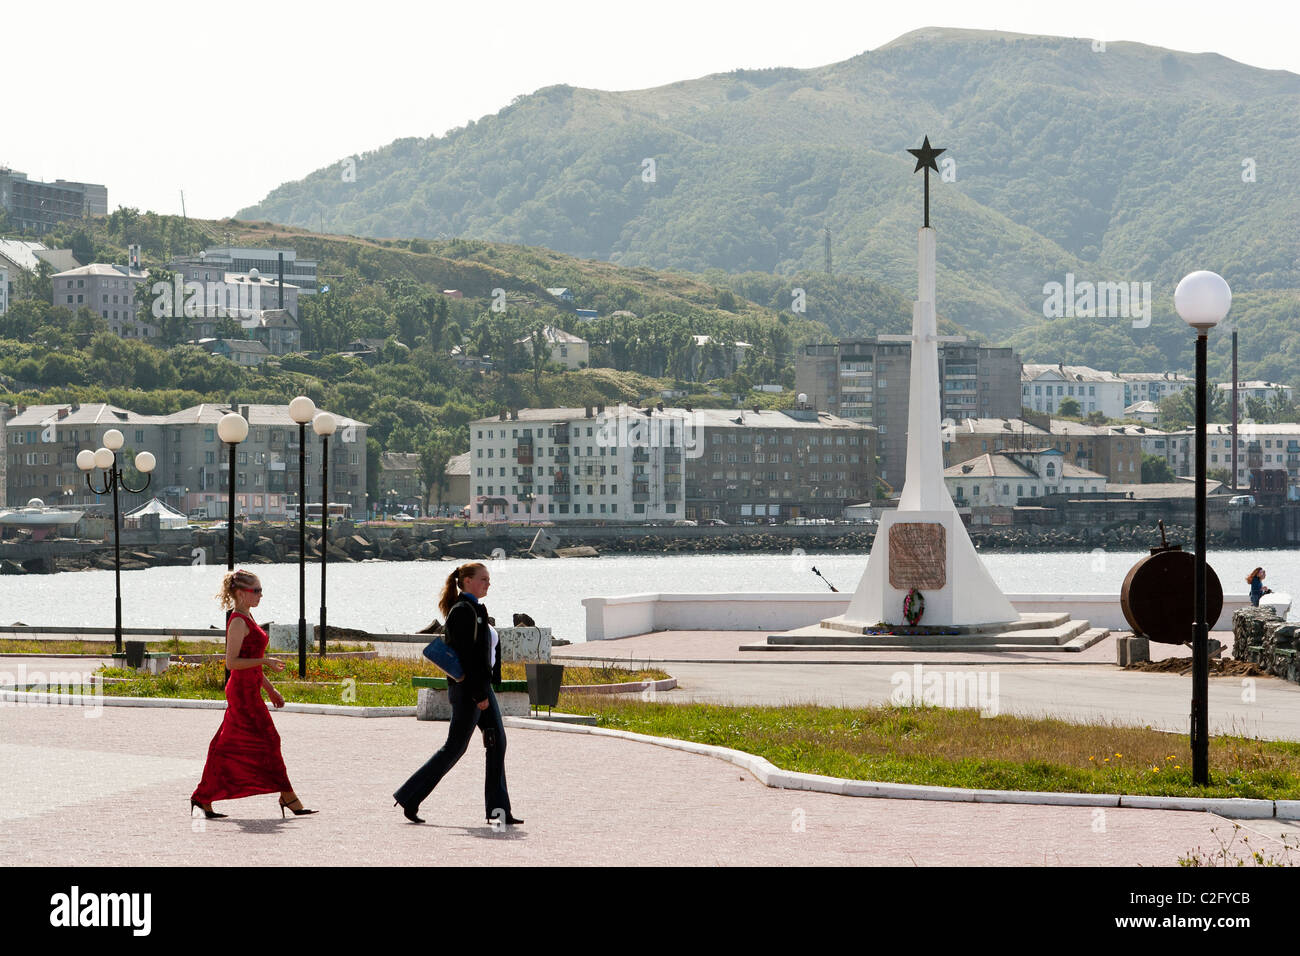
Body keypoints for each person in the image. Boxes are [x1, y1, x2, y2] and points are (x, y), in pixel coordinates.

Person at [393, 562, 521, 826]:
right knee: (454, 748)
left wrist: (487, 688)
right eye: (483, 579)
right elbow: (467, 658)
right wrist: (479, 694)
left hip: (482, 689)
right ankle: (409, 796)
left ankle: (499, 811)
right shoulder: (463, 610)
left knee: (497, 743)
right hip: (469, 692)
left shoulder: (476, 608)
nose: (488, 583)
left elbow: (482, 655)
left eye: (489, 579)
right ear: (467, 581)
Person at [190, 569, 317, 820]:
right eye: (255, 590)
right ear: (240, 593)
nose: (260, 595)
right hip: (241, 693)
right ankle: (287, 795)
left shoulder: (248, 616)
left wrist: (271, 689)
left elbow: (250, 662)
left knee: (226, 746)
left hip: (250, 689)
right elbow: (232, 663)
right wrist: (265, 661)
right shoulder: (238, 621)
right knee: (269, 740)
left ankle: (203, 796)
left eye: (260, 590)